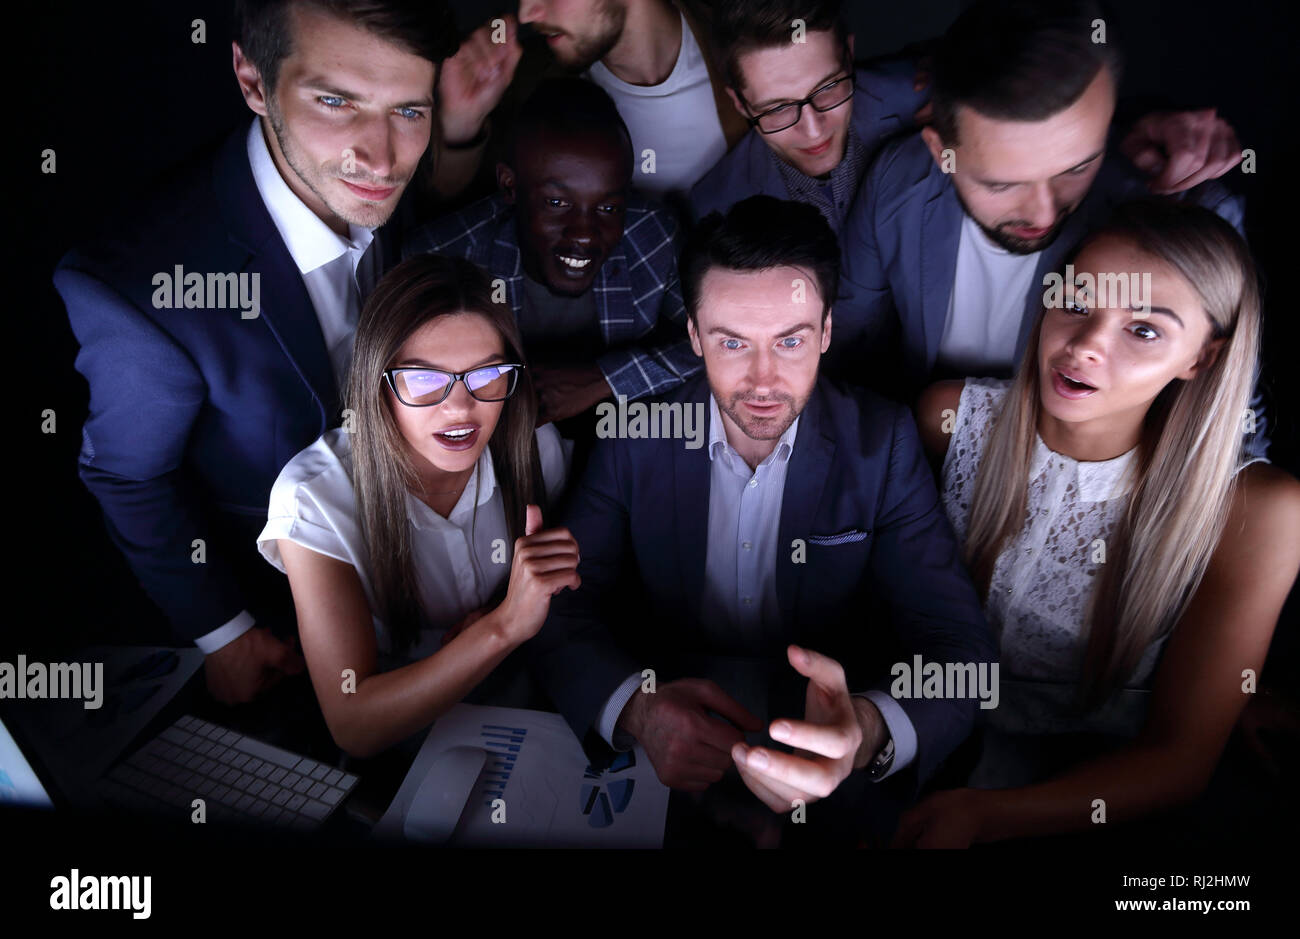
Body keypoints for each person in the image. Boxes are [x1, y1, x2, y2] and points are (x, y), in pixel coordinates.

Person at [524, 196, 995, 845]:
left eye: (792, 340)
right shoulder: (635, 433)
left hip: (828, 769)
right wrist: (636, 708)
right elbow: (559, 603)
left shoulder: (881, 442)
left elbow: (961, 653)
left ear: (827, 331)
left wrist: (865, 731)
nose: (763, 379)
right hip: (666, 745)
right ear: (693, 335)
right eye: (733, 342)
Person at [54, 0, 456, 705]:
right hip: (281, 625)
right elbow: (129, 478)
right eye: (336, 101)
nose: (383, 158)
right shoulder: (144, 290)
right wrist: (224, 630)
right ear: (251, 78)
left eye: (410, 111)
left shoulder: (376, 176)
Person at [902, 201, 1300, 847]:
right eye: (1077, 303)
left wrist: (984, 815)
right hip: (934, 734)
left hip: (1105, 791)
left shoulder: (1258, 508)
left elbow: (1179, 759)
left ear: (1202, 358)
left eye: (1143, 330)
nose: (1085, 345)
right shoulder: (949, 419)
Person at [834, 0, 1252, 412]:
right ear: (939, 149)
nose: (1043, 215)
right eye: (1000, 184)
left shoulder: (1183, 213)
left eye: (1077, 167)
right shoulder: (898, 179)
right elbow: (847, 359)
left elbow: (1230, 415)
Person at [257, 255, 578, 757]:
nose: (459, 408)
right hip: (402, 748)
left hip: (535, 718)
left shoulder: (538, 449)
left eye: (486, 374)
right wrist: (503, 625)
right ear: (378, 386)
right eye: (425, 381)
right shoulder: (315, 498)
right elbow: (353, 722)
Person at [406, 78, 697, 425]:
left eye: (608, 208)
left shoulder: (651, 236)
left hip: (618, 440)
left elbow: (718, 342)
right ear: (510, 187)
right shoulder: (442, 257)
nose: (585, 235)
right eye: (557, 203)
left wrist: (605, 379)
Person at [429, 0, 749, 206]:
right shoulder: (525, 80)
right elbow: (448, 203)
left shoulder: (745, 38)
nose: (528, 13)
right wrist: (462, 122)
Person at [690, 0, 927, 234]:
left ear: (849, 56)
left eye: (827, 88)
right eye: (777, 109)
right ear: (740, 104)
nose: (814, 131)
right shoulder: (715, 211)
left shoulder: (932, 96)